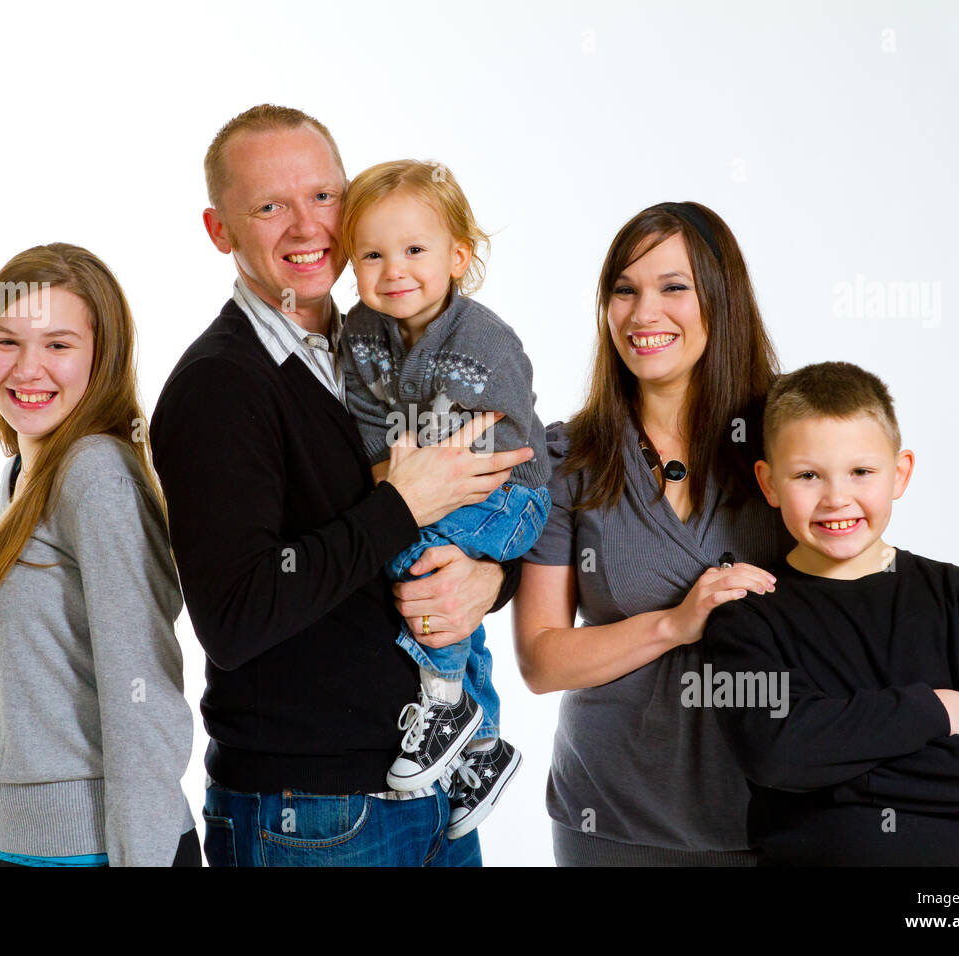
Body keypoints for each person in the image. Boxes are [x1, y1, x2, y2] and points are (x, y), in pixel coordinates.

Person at [149, 105, 533, 866]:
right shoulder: (217, 387)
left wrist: (492, 576)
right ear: (219, 229)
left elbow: (457, 505)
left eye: (323, 196)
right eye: (269, 206)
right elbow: (232, 619)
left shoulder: (378, 346)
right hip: (311, 817)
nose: (307, 227)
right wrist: (398, 506)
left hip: (435, 792)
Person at [515, 201, 792, 865]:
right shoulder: (569, 458)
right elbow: (542, 659)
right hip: (611, 821)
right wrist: (675, 623)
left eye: (673, 288)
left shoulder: (790, 435)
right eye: (624, 290)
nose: (644, 315)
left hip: (774, 816)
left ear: (721, 299)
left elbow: (855, 570)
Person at [701, 361, 959, 865]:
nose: (837, 497)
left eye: (861, 472)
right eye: (807, 476)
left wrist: (831, 775)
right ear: (769, 483)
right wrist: (930, 711)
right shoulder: (747, 614)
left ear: (900, 473)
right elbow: (778, 754)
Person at [0, 243, 199, 867]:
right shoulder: (22, 470)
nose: (27, 368)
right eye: (7, 341)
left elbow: (138, 687)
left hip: (89, 850)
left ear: (101, 355)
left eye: (58, 345)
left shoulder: (95, 474)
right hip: (6, 841)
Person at [339, 159, 551, 837]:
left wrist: (414, 480)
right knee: (417, 544)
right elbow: (372, 430)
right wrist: (392, 476)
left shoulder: (483, 341)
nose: (393, 269)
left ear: (458, 257)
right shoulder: (362, 335)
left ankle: (447, 700)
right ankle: (481, 751)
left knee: (418, 553)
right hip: (437, 481)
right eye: (371, 254)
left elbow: (502, 441)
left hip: (505, 490)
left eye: (414, 251)